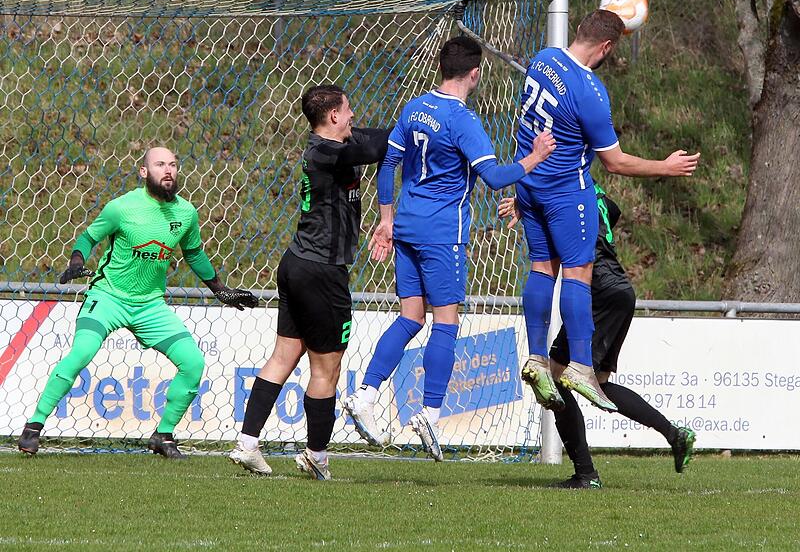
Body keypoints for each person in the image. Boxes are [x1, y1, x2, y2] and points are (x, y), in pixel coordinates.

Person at [343, 35, 556, 461]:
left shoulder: (414, 107)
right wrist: (534, 158)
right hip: (443, 233)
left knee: (410, 317)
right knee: (446, 322)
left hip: (405, 225)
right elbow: (496, 178)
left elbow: (388, 164)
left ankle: (365, 395)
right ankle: (430, 414)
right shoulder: (464, 121)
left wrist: (385, 220)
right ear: (475, 73)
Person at [18, 147, 258, 459]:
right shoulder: (122, 208)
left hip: (150, 306)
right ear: (144, 172)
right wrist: (77, 260)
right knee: (81, 353)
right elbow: (88, 238)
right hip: (108, 298)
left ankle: (164, 435)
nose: (168, 170)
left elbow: (194, 254)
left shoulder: (185, 213)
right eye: (159, 164)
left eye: (173, 164)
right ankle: (33, 428)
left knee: (193, 363)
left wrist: (220, 289)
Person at [513, 9, 699, 413]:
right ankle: (581, 366)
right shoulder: (591, 91)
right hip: (565, 192)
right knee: (578, 273)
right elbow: (614, 162)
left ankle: (535, 357)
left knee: (542, 269)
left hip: (527, 184)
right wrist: (665, 168)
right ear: (608, 46)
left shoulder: (542, 59)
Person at [229, 84, 389, 480]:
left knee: (283, 357)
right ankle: (317, 455)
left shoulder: (332, 145)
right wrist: (417, 125)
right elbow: (371, 149)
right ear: (333, 116)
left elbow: (370, 139)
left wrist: (406, 129)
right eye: (349, 110)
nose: (354, 116)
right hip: (321, 271)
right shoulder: (325, 151)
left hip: (299, 265)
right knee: (326, 370)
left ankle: (247, 444)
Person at [499, 185, 696, 488]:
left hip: (596, 290)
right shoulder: (592, 190)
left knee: (552, 375)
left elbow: (550, 222)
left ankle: (585, 474)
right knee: (597, 382)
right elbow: (612, 211)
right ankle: (674, 435)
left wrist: (525, 205)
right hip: (621, 290)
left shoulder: (559, 189)